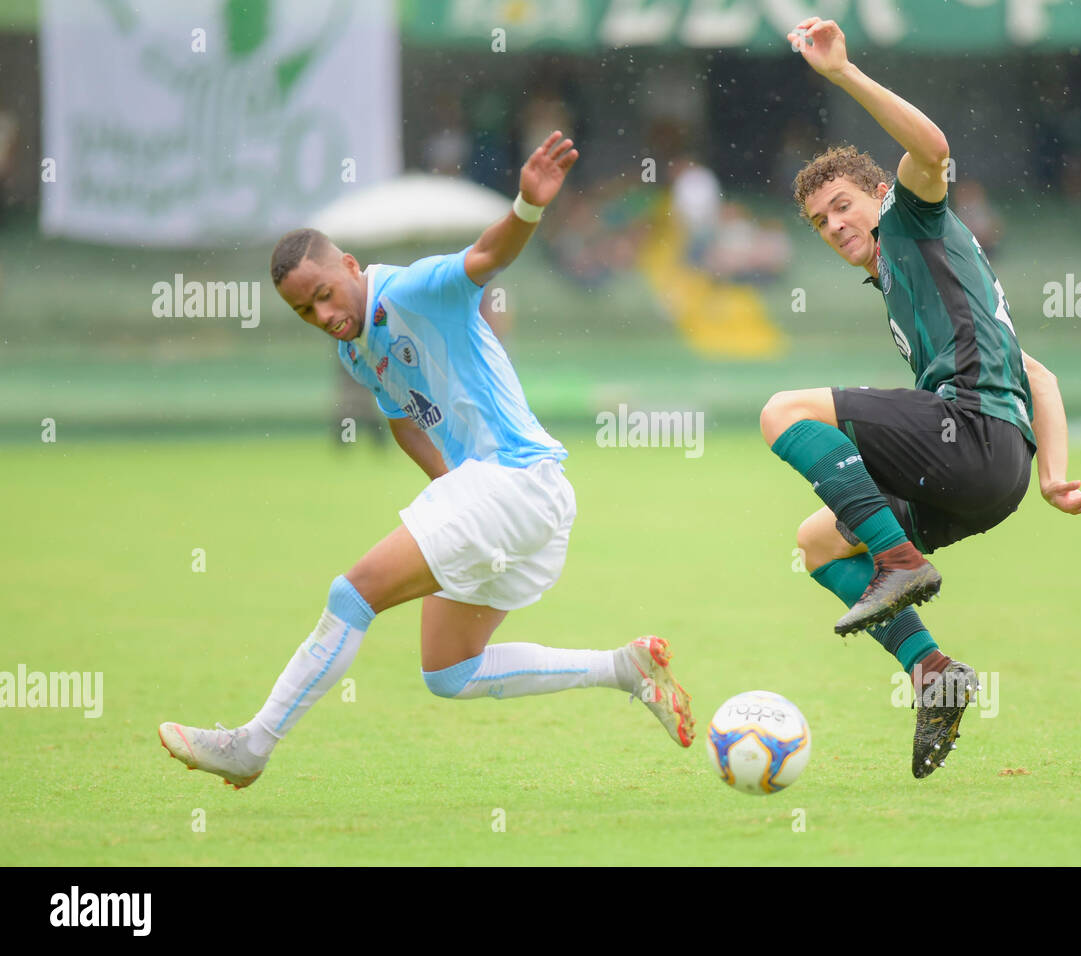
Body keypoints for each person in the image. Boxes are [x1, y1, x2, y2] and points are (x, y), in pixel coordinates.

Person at [159, 132, 694, 789]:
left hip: (518, 481)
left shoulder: (413, 291)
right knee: (450, 672)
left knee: (351, 593)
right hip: (508, 498)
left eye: (325, 294)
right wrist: (448, 487)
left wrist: (528, 204)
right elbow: (401, 419)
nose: (322, 314)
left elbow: (487, 255)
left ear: (351, 266)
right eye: (303, 311)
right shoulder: (355, 349)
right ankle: (623, 668)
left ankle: (253, 744)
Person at [762, 18, 1081, 778]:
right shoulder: (913, 280)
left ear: (878, 194)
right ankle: (934, 673)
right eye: (820, 221)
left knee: (781, 412)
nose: (834, 225)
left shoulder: (913, 217)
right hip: (997, 477)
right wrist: (1052, 478)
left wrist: (843, 75)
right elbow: (1040, 379)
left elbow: (933, 149)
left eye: (844, 206)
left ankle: (899, 560)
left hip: (973, 436)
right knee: (818, 541)